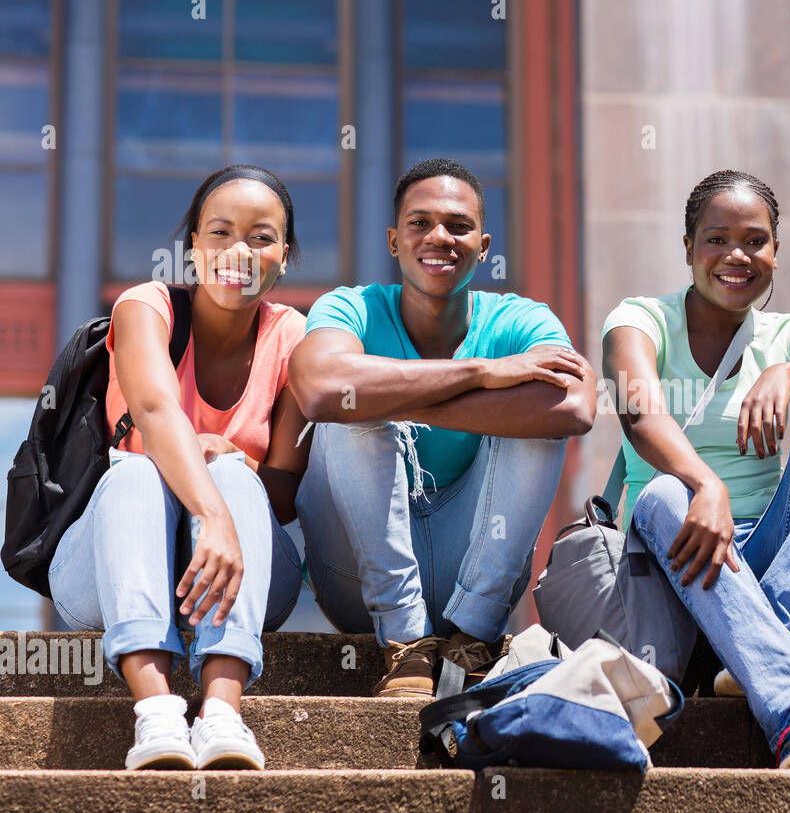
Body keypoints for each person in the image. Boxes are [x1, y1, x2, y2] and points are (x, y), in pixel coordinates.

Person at [603, 169, 790, 769]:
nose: (737, 255)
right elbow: (637, 411)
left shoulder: (787, 334)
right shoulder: (641, 319)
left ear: (777, 255)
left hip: (769, 555)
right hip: (675, 553)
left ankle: (762, 646)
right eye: (716, 239)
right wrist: (703, 482)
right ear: (688, 249)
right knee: (661, 495)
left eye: (755, 240)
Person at [290, 158, 596, 698]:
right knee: (348, 407)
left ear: (483, 245)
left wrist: (406, 399)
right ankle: (405, 644)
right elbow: (318, 388)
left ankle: (471, 638)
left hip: (471, 568)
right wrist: (482, 375)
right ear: (393, 241)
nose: (439, 237)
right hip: (356, 576)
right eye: (420, 223)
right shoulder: (350, 307)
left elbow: (575, 407)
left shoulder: (518, 319)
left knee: (539, 421)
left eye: (458, 226)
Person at [49, 164, 311, 770]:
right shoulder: (146, 307)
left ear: (286, 255)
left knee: (234, 471)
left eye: (262, 236)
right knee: (138, 471)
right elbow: (153, 408)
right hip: (108, 568)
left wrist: (232, 466)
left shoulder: (294, 335)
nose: (238, 251)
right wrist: (210, 510)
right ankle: (158, 713)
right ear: (193, 246)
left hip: (242, 580)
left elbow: (286, 489)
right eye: (219, 233)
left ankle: (222, 712)